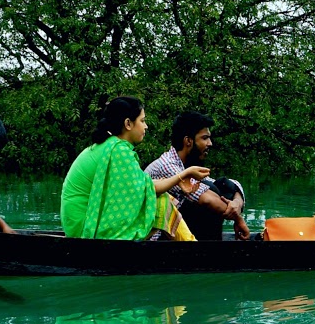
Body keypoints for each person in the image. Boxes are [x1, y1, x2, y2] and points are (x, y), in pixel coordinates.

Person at [61, 96, 209, 240]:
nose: (146, 126)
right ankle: (191, 246)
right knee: (162, 201)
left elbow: (144, 185)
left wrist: (180, 178)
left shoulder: (111, 146)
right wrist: (185, 174)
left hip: (80, 222)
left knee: (160, 197)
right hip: (85, 225)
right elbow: (148, 190)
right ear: (128, 124)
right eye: (142, 121)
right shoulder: (118, 151)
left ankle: (189, 244)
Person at [145, 111, 252, 241]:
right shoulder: (167, 165)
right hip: (159, 238)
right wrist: (238, 218)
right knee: (207, 197)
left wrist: (236, 203)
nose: (210, 143)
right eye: (205, 138)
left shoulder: (188, 164)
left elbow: (231, 184)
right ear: (188, 141)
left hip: (180, 233)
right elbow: (207, 199)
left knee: (223, 185)